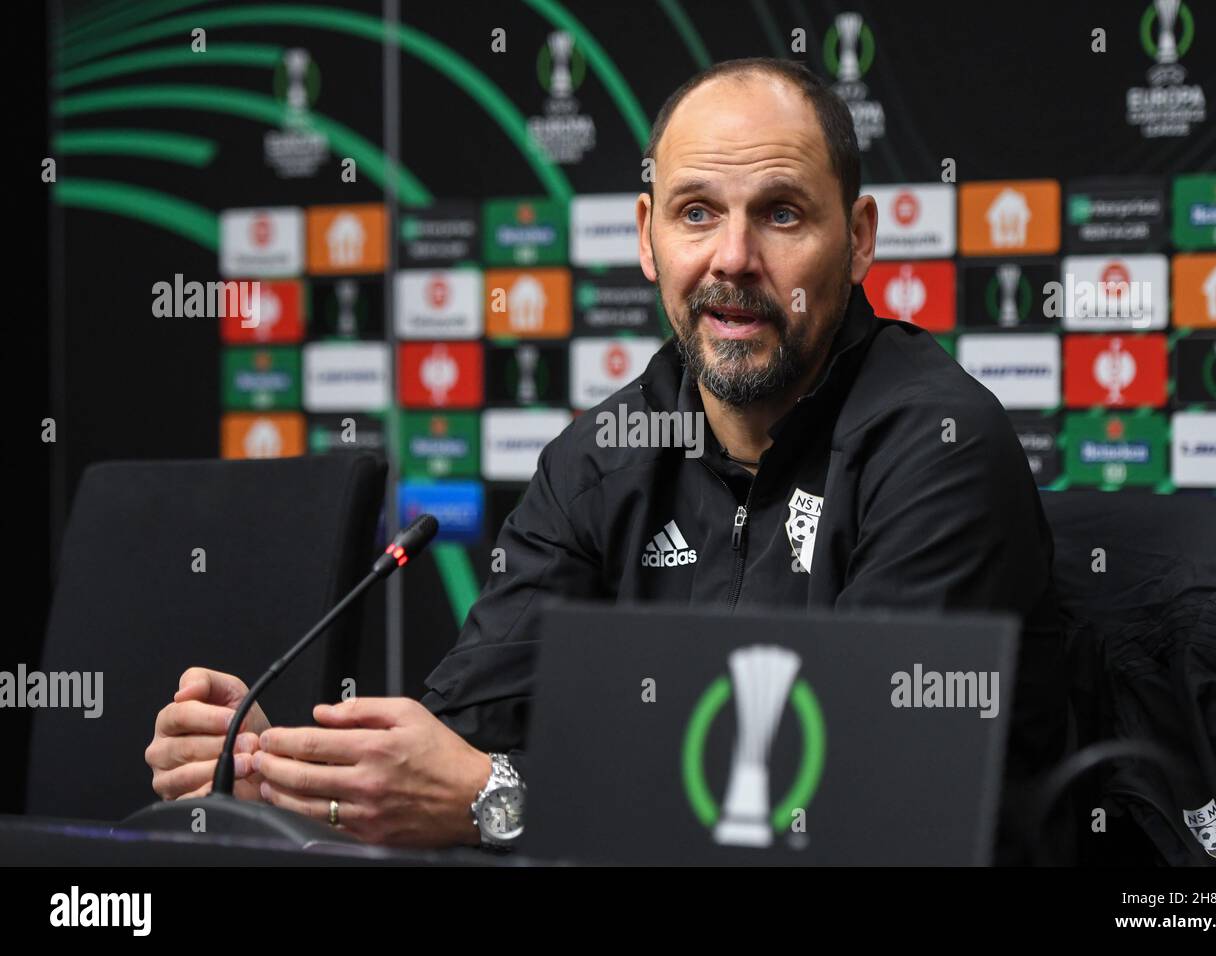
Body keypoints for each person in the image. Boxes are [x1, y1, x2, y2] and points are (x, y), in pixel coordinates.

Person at [145, 57, 1067, 859]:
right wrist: (293, 776)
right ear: (645, 236)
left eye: (781, 215)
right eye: (696, 212)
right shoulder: (604, 457)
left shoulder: (939, 448)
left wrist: (498, 802)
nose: (732, 257)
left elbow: (846, 814)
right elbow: (466, 737)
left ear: (858, 239)